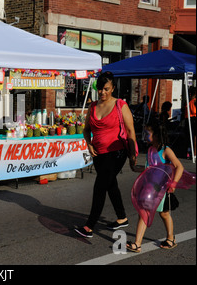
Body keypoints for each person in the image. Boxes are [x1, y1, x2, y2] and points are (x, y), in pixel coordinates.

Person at [75, 71, 138, 238]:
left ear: (113, 88)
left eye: (106, 89)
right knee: (110, 184)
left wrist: (132, 155)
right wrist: (89, 144)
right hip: (99, 153)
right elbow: (86, 129)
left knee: (100, 185)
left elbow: (131, 131)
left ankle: (89, 226)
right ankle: (122, 217)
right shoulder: (93, 106)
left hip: (117, 152)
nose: (102, 92)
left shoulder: (120, 105)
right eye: (100, 89)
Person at [126, 120, 184, 253]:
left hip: (163, 189)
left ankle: (171, 238)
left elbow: (179, 166)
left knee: (164, 214)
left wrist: (173, 183)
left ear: (156, 135)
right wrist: (136, 168)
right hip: (150, 189)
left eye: (147, 133)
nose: (145, 135)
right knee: (143, 213)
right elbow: (151, 169)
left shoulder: (166, 150)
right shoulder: (150, 150)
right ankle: (137, 244)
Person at [184, 87, 196, 161]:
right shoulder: (194, 101)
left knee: (189, 137)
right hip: (193, 119)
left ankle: (188, 152)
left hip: (188, 120)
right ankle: (194, 153)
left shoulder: (188, 101)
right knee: (194, 137)